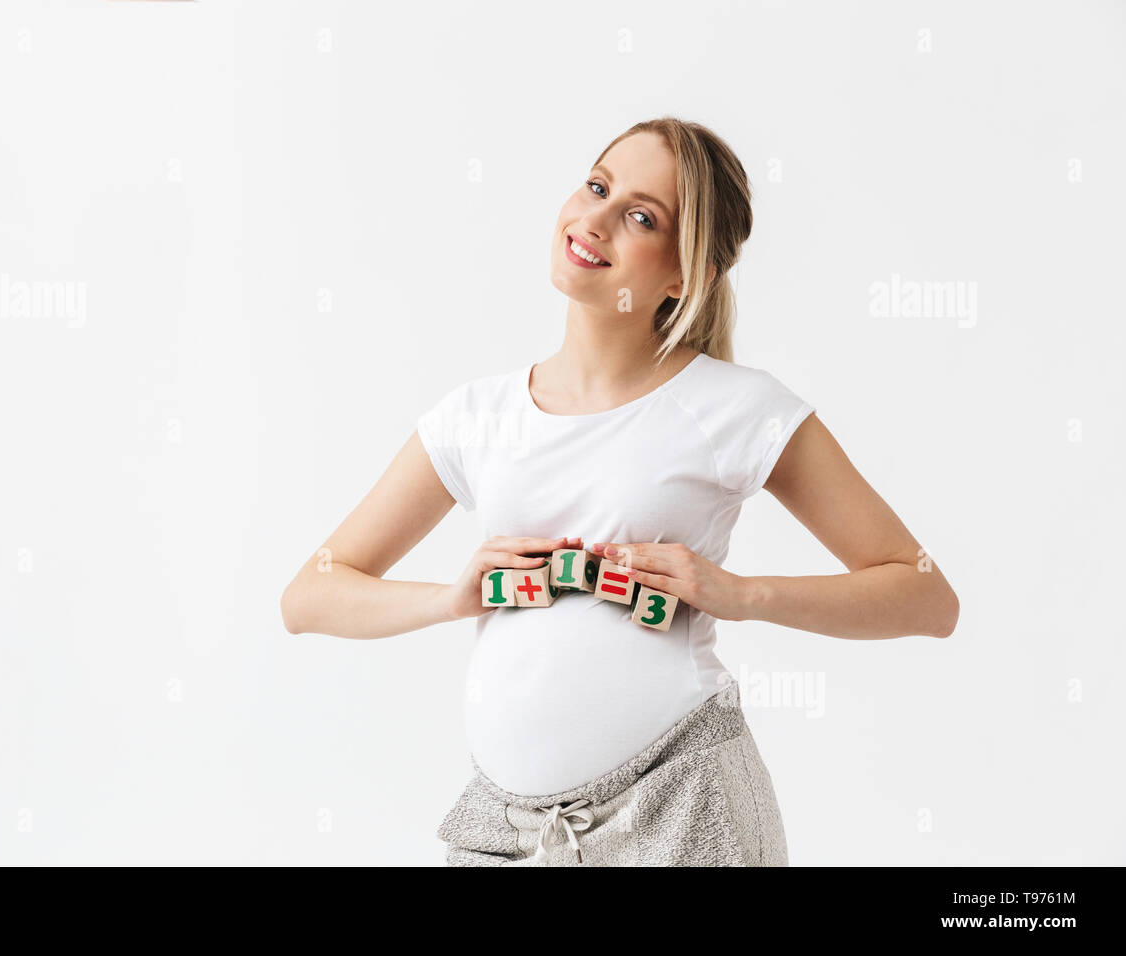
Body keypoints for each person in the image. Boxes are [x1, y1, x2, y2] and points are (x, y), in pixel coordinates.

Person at [280, 117, 960, 866]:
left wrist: (739, 594)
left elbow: (926, 598)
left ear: (685, 276)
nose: (594, 219)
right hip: (509, 836)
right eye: (597, 187)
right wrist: (452, 598)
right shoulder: (476, 418)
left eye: (641, 216)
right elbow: (308, 597)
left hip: (683, 813)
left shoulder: (736, 409)